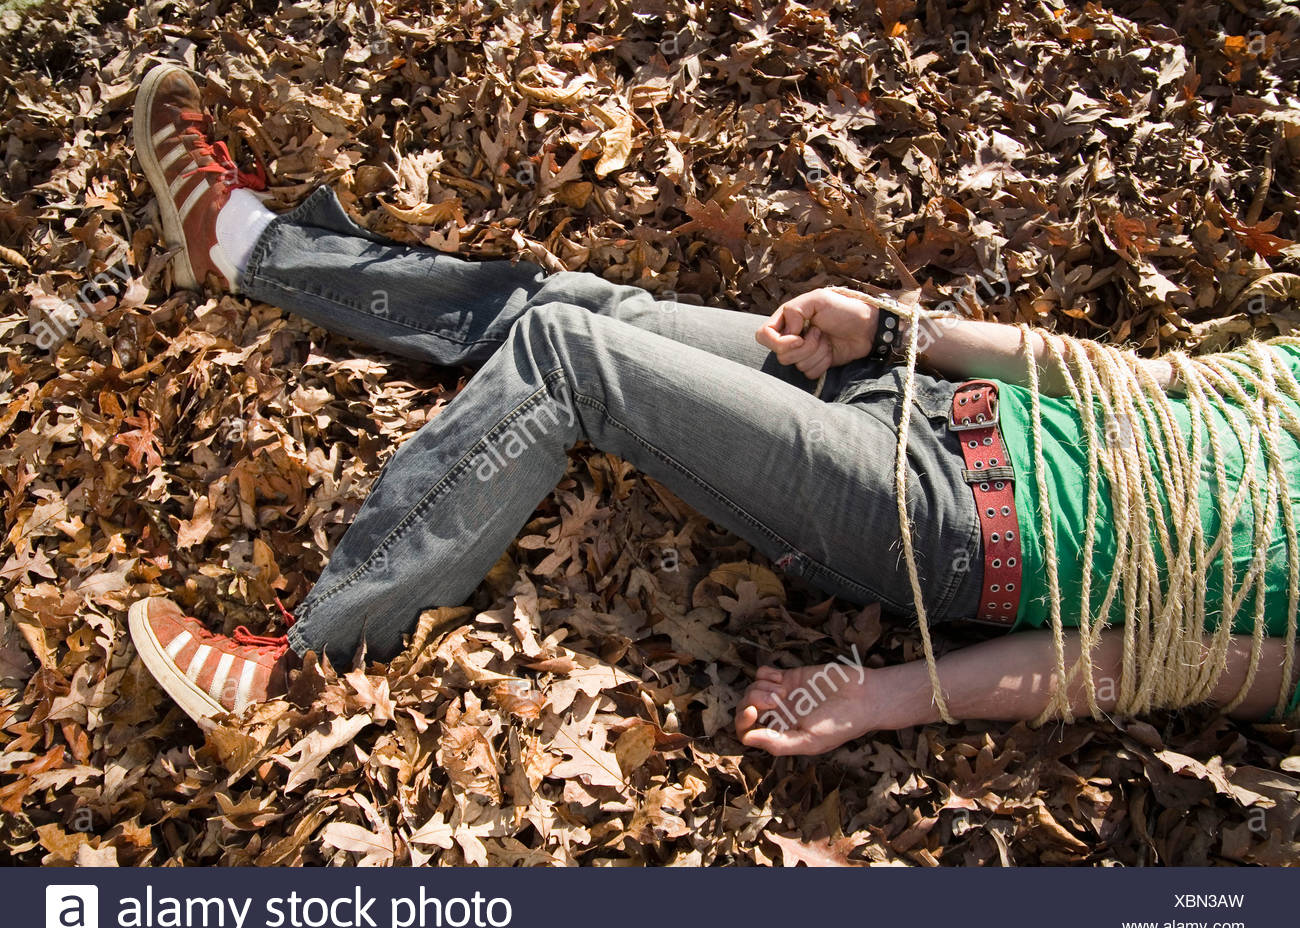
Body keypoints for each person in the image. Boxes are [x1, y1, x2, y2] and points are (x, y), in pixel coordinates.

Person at [125, 63, 1300, 757]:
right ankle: (244, 249)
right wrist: (897, 328)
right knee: (588, 300)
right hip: (927, 398)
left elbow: (1128, 663)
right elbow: (1131, 383)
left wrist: (880, 700)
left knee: (569, 354)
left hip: (932, 514)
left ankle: (300, 670)